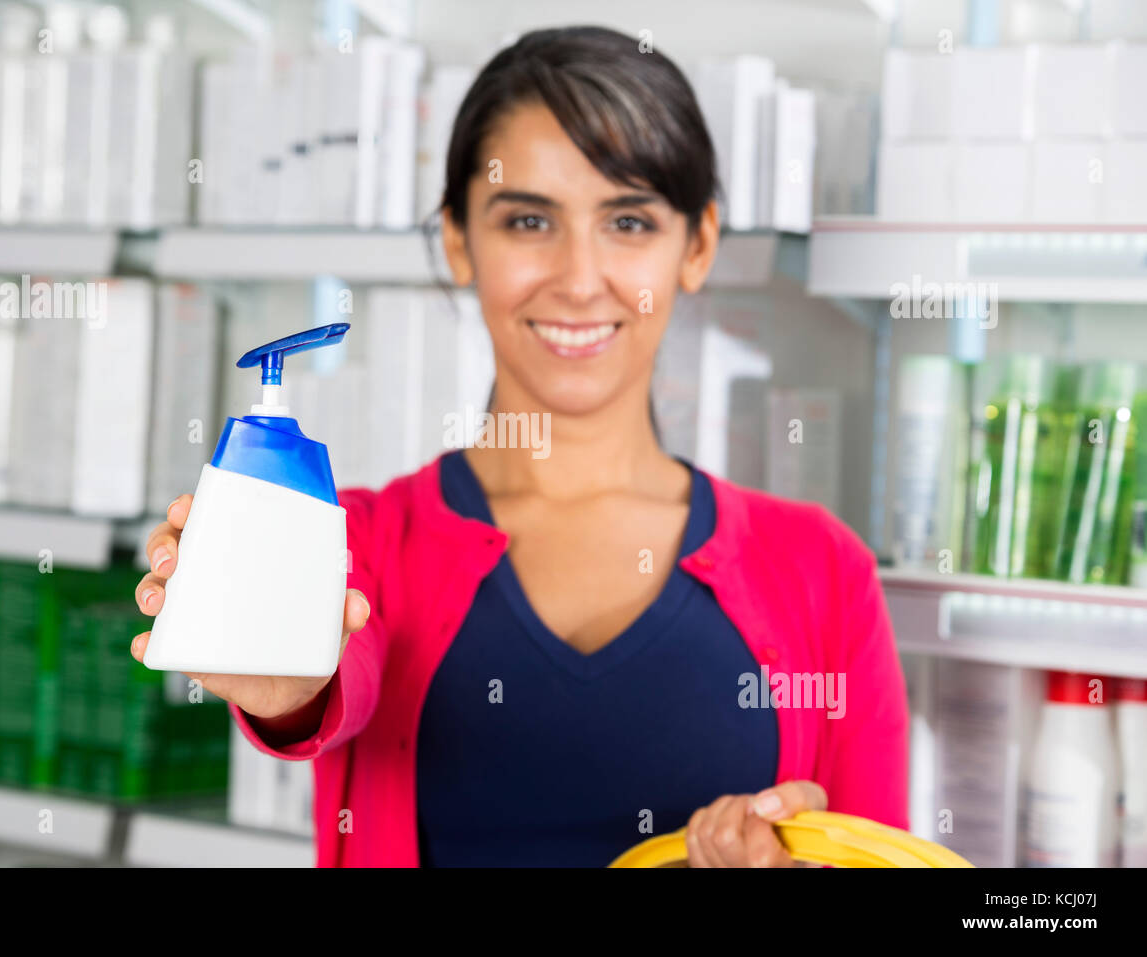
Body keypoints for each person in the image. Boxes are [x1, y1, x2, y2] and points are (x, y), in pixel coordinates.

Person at [132, 25, 908, 868]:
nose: (579, 278)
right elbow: (323, 684)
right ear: (460, 238)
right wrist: (282, 678)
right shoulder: (354, 541)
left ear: (698, 245)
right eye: (529, 219)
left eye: (630, 220)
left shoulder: (823, 573)